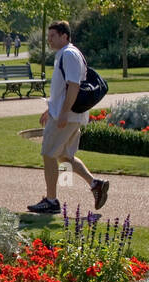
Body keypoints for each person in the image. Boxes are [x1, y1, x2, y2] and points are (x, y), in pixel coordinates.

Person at [26, 21, 110, 214]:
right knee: (64, 156)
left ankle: (51, 200)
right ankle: (96, 184)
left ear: (65, 36)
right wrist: (52, 109)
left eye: (53, 36)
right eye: (48, 36)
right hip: (69, 114)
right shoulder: (64, 54)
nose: (49, 40)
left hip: (68, 115)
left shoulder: (69, 54)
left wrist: (63, 112)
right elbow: (64, 88)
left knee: (48, 154)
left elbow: (74, 86)